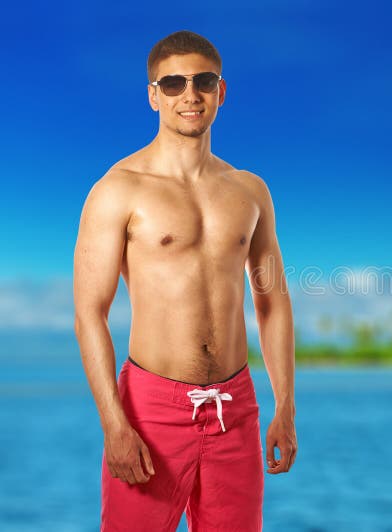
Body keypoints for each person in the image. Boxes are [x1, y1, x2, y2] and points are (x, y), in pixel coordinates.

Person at [73, 29, 297, 531]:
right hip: (150, 410)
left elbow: (273, 304)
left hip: (235, 409)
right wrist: (114, 423)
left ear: (221, 91)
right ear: (154, 96)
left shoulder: (250, 190)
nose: (189, 95)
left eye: (203, 81)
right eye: (173, 83)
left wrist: (285, 406)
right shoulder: (118, 190)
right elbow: (90, 313)